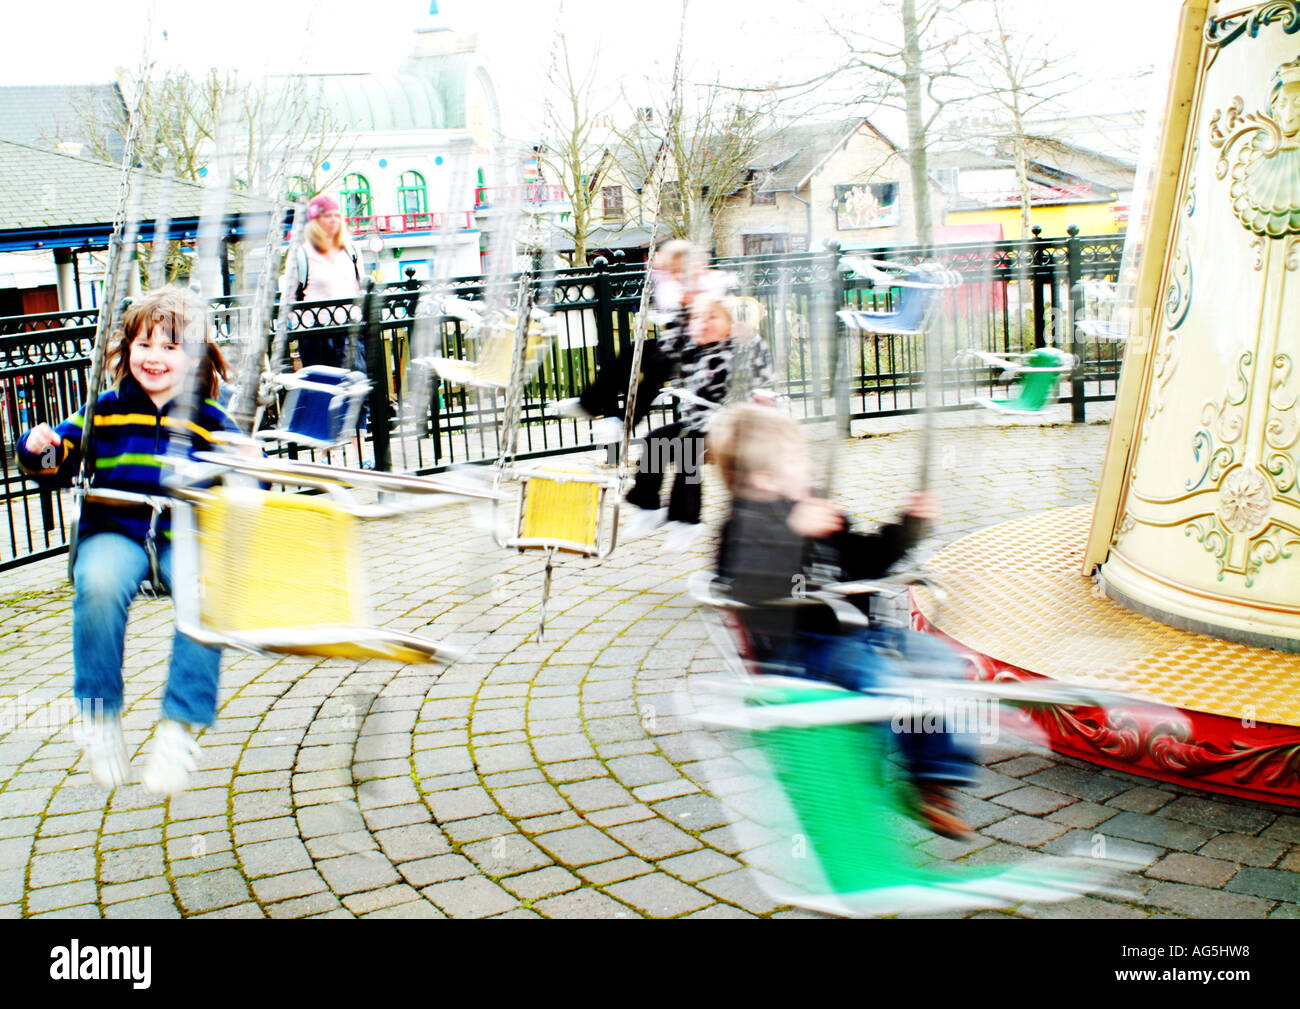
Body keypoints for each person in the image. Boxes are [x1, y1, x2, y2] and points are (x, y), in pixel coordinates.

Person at [707, 403, 976, 838]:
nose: (811, 466)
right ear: (763, 478)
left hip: (863, 632)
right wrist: (791, 532)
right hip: (803, 650)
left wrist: (909, 527)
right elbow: (745, 585)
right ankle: (855, 785)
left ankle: (932, 778)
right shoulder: (741, 529)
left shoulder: (817, 512)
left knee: (943, 665)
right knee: (889, 687)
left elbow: (865, 561)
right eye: (797, 459)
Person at [18, 287, 243, 796]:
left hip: (179, 535)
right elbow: (58, 461)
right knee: (96, 586)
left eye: (171, 347)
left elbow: (248, 482)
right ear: (127, 351)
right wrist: (40, 448)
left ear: (195, 358)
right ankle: (98, 716)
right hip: (114, 531)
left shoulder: (209, 419)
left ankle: (179, 727)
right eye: (145, 345)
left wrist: (246, 467)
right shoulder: (105, 410)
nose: (155, 358)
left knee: (207, 594)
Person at [621, 289, 776, 553]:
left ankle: (688, 519)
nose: (703, 323)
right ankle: (648, 505)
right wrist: (680, 302)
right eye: (698, 318)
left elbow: (765, 370)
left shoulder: (740, 349)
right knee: (656, 440)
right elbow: (673, 338)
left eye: (712, 317)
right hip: (699, 423)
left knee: (687, 448)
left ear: (731, 326)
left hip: (733, 425)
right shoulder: (695, 349)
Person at [553, 239, 704, 444]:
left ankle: (624, 423)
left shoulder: (703, 288)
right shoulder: (675, 286)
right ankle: (589, 403)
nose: (677, 276)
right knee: (627, 356)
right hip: (672, 346)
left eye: (681, 270)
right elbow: (667, 299)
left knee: (653, 372)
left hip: (696, 352)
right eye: (673, 270)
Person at [279, 193, 370, 458]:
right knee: (322, 391)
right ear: (315, 222)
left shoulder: (351, 250)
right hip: (316, 332)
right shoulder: (302, 254)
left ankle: (360, 451)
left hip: (348, 330)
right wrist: (296, 324)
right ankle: (326, 452)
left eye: (336, 216)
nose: (332, 221)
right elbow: (290, 295)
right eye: (326, 216)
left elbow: (359, 286)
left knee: (355, 387)